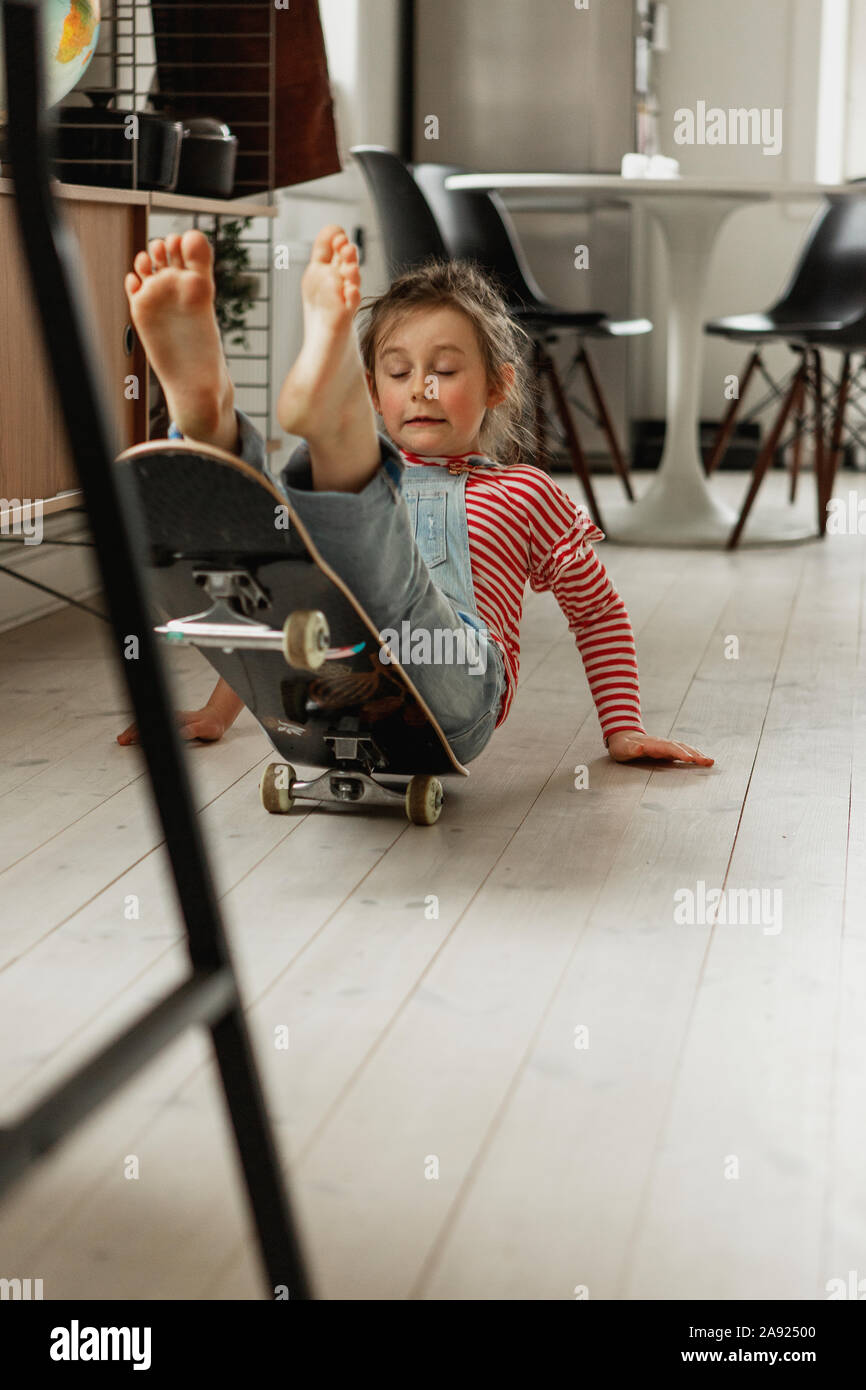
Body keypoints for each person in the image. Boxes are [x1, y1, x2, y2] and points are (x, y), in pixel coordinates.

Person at [117, 223, 713, 770]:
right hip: (329, 690)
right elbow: (285, 606)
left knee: (392, 579)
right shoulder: (345, 483)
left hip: (453, 694)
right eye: (398, 374)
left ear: (500, 384)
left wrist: (623, 727)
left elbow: (597, 610)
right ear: (377, 393)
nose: (421, 389)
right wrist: (219, 714)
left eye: (445, 371)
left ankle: (323, 424)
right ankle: (208, 418)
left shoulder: (525, 492)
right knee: (270, 566)